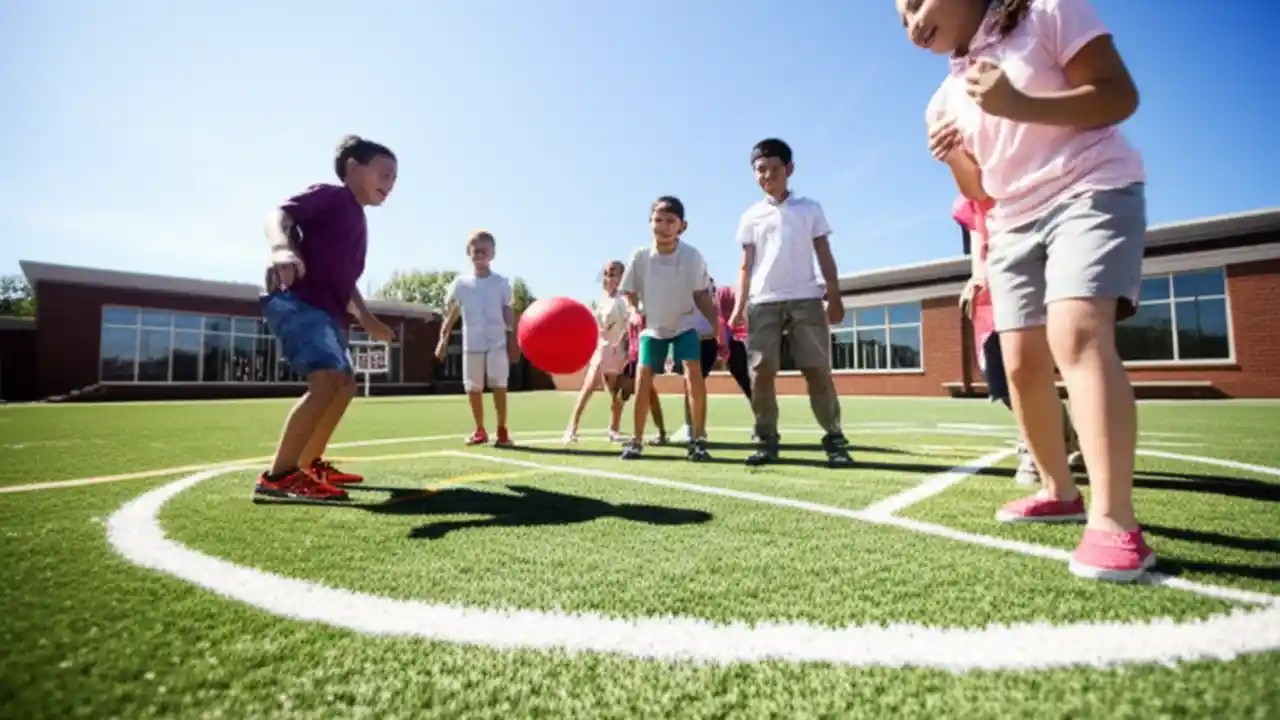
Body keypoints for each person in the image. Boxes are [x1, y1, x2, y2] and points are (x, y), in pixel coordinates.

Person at [897, 0, 1153, 581]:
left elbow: (1118, 95)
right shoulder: (943, 99)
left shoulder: (1047, 11)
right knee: (1021, 367)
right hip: (1011, 220)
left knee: (1078, 336)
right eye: (900, 18)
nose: (911, 23)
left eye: (915, 2)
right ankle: (1059, 490)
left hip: (1089, 187)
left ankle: (1115, 520)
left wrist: (1020, 103)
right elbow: (983, 191)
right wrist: (955, 159)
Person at [254, 134, 398, 502]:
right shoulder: (332, 196)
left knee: (345, 386)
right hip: (299, 301)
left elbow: (345, 281)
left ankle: (309, 461)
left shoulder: (358, 219)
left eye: (394, 179)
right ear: (353, 167)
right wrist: (281, 248)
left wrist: (366, 318)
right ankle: (279, 476)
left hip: (328, 312)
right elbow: (279, 215)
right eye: (384, 173)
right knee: (326, 382)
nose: (390, 184)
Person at [728, 138, 853, 468]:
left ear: (789, 169)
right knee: (761, 372)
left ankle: (834, 438)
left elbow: (824, 255)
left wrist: (835, 296)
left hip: (807, 300)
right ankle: (766, 439)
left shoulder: (809, 208)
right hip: (763, 303)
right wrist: (740, 305)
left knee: (817, 369)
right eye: (760, 170)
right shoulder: (751, 216)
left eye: (774, 168)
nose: (767, 175)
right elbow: (746, 264)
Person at [954, 195, 1084, 485]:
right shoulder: (968, 196)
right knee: (999, 376)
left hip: (1029, 271)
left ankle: (1036, 446)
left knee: (1027, 365)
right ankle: (1066, 437)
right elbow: (978, 229)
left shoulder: (1021, 177)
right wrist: (977, 276)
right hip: (992, 285)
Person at [619, 196, 717, 461]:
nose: (663, 226)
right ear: (649, 222)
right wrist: (632, 312)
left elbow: (702, 295)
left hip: (685, 322)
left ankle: (698, 440)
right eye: (658, 220)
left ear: (682, 226)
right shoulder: (639, 256)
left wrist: (718, 326)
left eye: (670, 221)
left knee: (693, 372)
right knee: (643, 375)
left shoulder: (692, 256)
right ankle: (636, 441)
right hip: (653, 325)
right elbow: (629, 292)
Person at [435, 231, 520, 448]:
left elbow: (508, 311)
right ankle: (480, 430)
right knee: (473, 387)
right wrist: (443, 339)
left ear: (493, 254)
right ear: (468, 253)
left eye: (485, 251)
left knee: (499, 384)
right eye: (476, 251)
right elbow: (452, 312)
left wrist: (512, 339)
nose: (480, 255)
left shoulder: (501, 283)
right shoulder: (461, 284)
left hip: (497, 343)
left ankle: (502, 430)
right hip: (471, 343)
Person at [564, 260, 631, 444]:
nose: (609, 277)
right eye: (607, 273)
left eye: (614, 273)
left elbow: (628, 325)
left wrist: (625, 346)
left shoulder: (624, 300)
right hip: (602, 350)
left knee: (616, 393)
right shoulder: (602, 300)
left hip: (618, 352)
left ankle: (613, 429)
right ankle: (571, 428)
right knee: (588, 388)